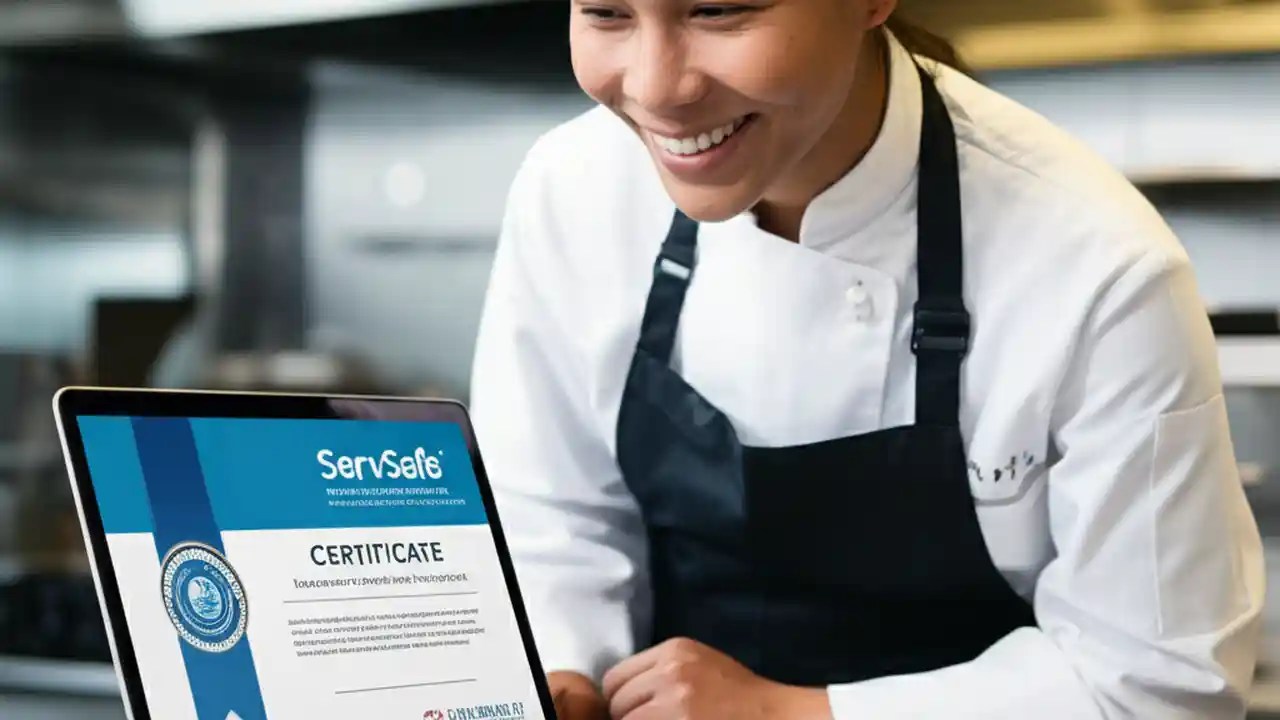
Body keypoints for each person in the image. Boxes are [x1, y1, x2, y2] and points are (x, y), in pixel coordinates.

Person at [469, 0, 1266, 717]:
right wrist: (563, 672)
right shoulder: (570, 187)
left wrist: (783, 715)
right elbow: (554, 519)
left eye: (718, 11)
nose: (657, 86)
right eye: (608, 14)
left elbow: (1159, 686)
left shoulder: (1097, 267)